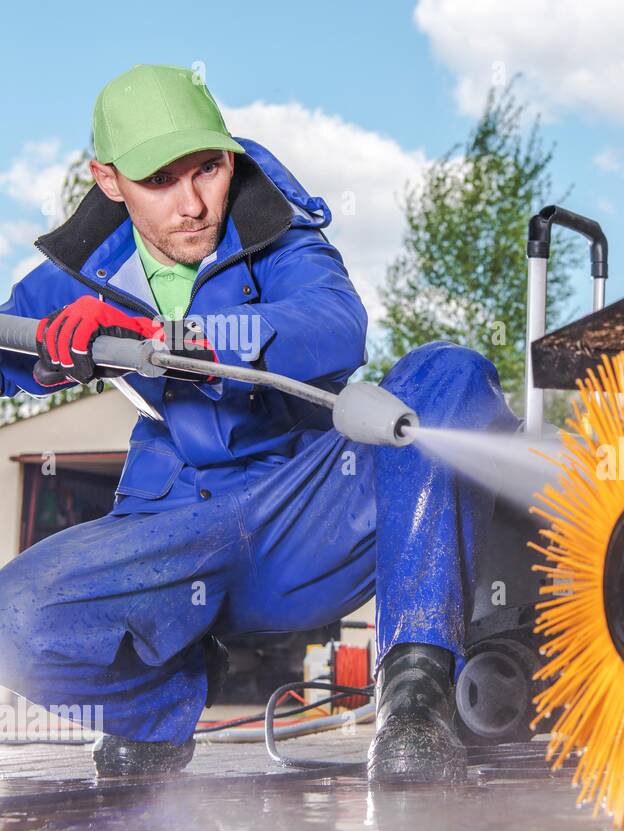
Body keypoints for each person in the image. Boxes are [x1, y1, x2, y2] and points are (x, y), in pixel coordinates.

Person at [0, 64, 518, 782]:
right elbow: (10, 349)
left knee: (450, 374)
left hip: (309, 509)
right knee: (11, 621)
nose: (193, 205)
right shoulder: (77, 273)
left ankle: (416, 698)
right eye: (160, 182)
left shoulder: (279, 234)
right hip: (173, 532)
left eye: (208, 169)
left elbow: (335, 323)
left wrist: (178, 337)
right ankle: (154, 711)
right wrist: (58, 356)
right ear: (110, 182)